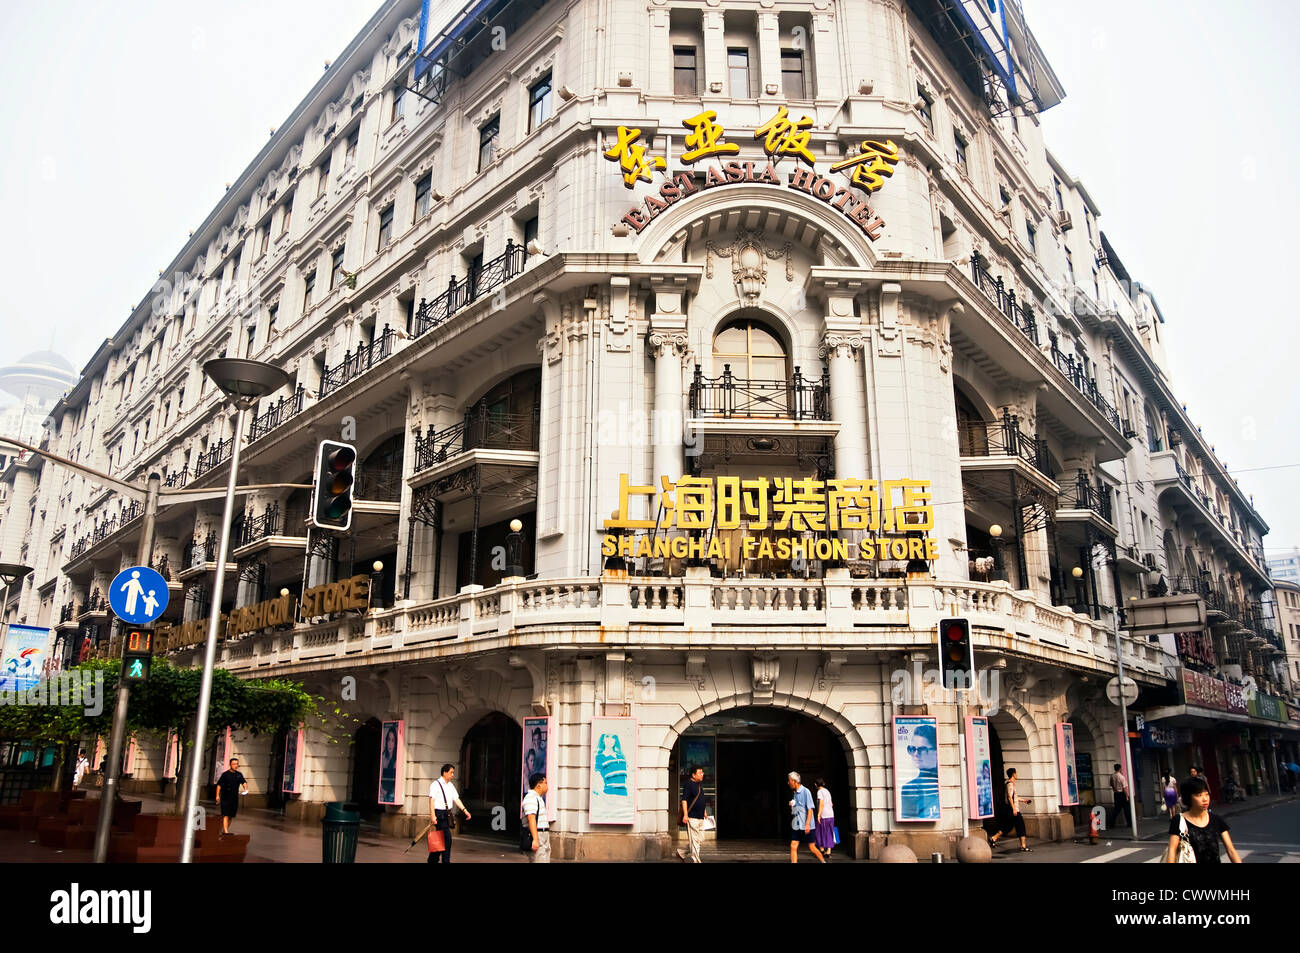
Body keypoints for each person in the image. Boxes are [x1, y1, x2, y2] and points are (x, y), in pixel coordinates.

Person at [1166, 776, 1241, 863]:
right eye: (1199, 795)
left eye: (1206, 794)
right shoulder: (1178, 820)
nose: (1205, 799)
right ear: (1188, 797)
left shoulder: (1216, 820)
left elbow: (1231, 851)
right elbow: (1172, 851)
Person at [428, 763, 471, 863]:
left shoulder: (450, 785)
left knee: (440, 839)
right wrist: (433, 816)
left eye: (453, 773)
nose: (452, 775)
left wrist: (465, 811)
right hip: (439, 814)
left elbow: (456, 799)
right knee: (447, 839)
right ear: (444, 773)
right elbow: (431, 801)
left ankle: (432, 860)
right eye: (451, 773)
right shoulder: (436, 784)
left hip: (447, 815)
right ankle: (445, 861)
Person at [899, 724, 939, 819]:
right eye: (912, 749)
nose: (915, 754)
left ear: (936, 751)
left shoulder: (946, 785)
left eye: (922, 749)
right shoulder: (909, 789)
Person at [988, 767, 1032, 852]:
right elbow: (1009, 797)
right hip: (1013, 810)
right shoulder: (1010, 784)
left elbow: (1014, 797)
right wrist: (1014, 809)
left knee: (1007, 826)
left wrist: (1024, 800)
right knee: (1021, 826)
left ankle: (993, 838)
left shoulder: (1010, 784)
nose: (1017, 774)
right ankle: (1023, 846)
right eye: (1016, 773)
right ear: (1013, 774)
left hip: (1012, 810)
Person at [787, 772, 825, 864]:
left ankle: (823, 861)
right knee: (793, 845)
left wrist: (807, 824)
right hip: (797, 824)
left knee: (812, 847)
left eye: (789, 781)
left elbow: (810, 809)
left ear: (794, 781)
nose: (788, 783)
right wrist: (792, 805)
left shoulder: (805, 791)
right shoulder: (795, 792)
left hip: (807, 825)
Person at [676, 764, 709, 863]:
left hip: (700, 817)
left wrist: (704, 811)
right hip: (692, 817)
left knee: (699, 839)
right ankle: (696, 860)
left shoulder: (699, 784)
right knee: (695, 841)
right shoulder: (688, 784)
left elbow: (700, 799)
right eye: (700, 773)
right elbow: (684, 800)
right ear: (693, 775)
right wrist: (685, 815)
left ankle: (681, 852)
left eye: (702, 772)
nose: (702, 774)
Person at [522, 773, 550, 863]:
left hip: (543, 834)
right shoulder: (531, 798)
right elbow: (531, 818)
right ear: (538, 786)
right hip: (538, 834)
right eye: (545, 783)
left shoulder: (538, 798)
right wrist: (535, 839)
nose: (547, 785)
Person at [216, 758, 248, 835]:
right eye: (234, 764)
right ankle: (226, 832)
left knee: (230, 816)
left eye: (237, 764)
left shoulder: (239, 775)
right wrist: (217, 795)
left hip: (234, 798)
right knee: (225, 814)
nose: (235, 765)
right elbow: (219, 785)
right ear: (230, 765)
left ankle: (224, 830)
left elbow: (244, 782)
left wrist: (245, 789)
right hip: (225, 797)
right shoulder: (225, 774)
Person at [813, 777, 836, 861]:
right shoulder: (827, 791)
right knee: (829, 832)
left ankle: (822, 849)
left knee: (819, 832)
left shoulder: (820, 792)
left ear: (816, 784)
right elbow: (831, 804)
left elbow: (821, 803)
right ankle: (828, 851)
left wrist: (818, 815)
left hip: (823, 815)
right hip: (831, 815)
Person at [379, 726, 398, 802]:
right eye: (389, 740)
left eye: (393, 741)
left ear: (395, 744)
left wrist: (389, 792)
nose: (390, 743)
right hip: (384, 795)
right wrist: (382, 790)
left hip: (392, 795)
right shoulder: (383, 760)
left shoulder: (396, 761)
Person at [1109, 763, 1131, 829]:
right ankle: (1129, 823)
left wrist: (1114, 789)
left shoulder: (1112, 776)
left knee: (1116, 809)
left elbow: (1111, 784)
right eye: (1121, 768)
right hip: (1122, 794)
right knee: (1127, 809)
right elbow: (1125, 788)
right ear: (1119, 768)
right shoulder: (1121, 777)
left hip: (1116, 794)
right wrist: (1127, 796)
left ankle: (1111, 823)